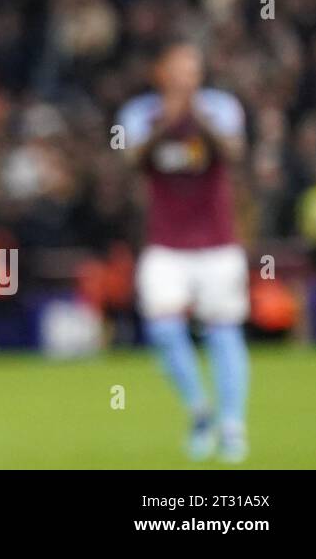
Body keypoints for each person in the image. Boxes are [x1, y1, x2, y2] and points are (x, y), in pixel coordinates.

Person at [117, 41, 251, 463]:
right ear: (162, 73)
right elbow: (131, 161)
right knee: (162, 330)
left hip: (218, 243)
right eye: (178, 69)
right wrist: (167, 122)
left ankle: (232, 425)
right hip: (166, 244)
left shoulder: (222, 107)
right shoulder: (140, 114)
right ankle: (199, 410)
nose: (186, 78)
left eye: (192, 70)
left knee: (225, 331)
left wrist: (196, 118)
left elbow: (232, 152)